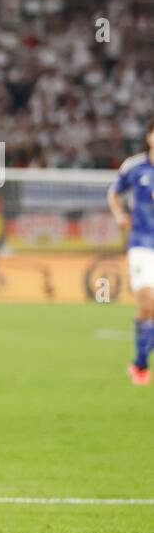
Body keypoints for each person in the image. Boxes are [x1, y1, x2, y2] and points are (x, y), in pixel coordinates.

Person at [107, 122, 154, 385]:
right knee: (147, 303)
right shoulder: (135, 167)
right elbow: (114, 193)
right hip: (141, 244)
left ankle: (139, 362)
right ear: (149, 136)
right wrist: (118, 214)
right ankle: (142, 366)